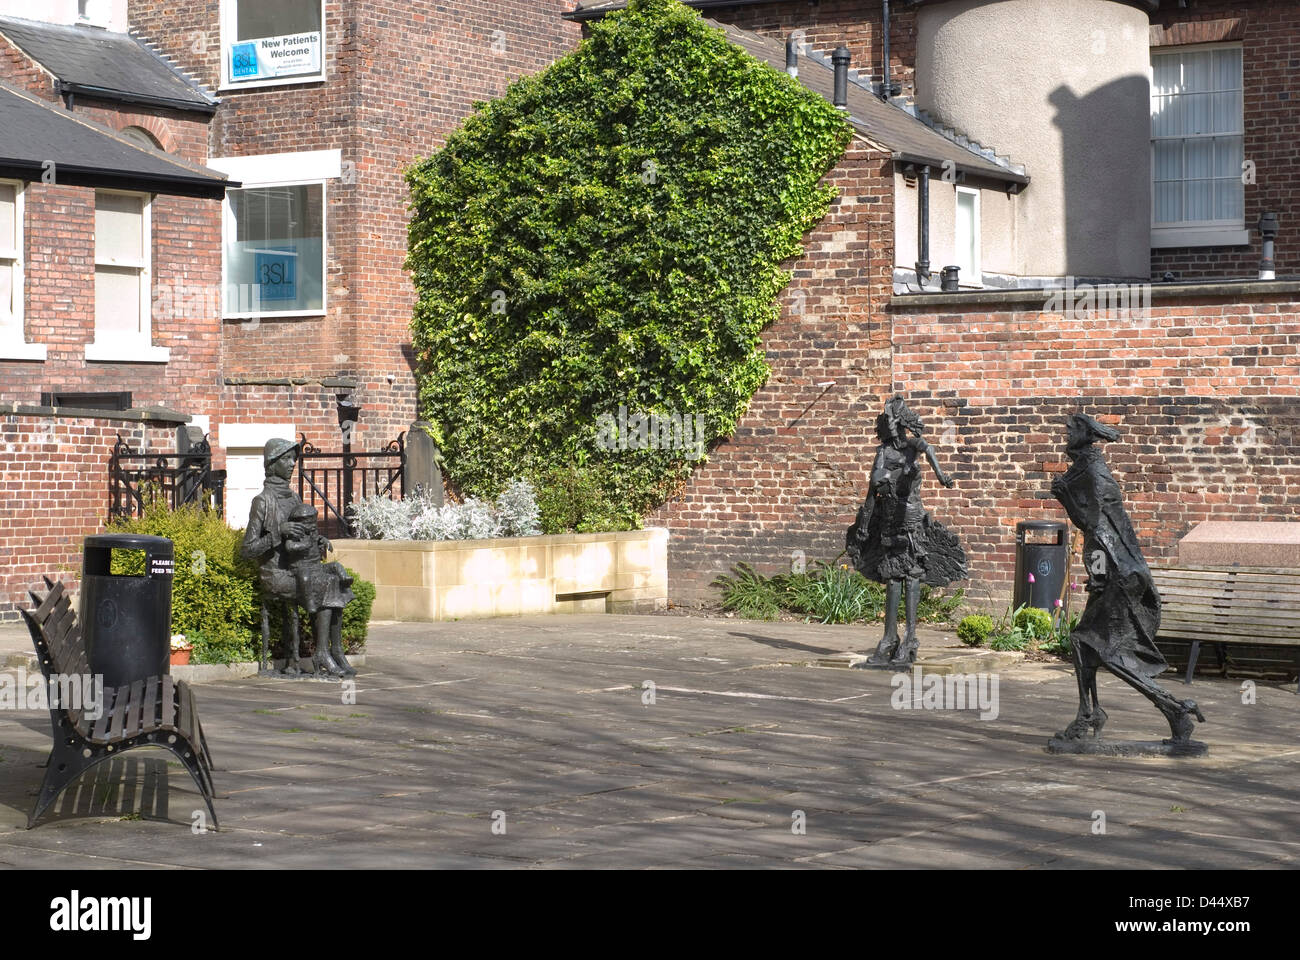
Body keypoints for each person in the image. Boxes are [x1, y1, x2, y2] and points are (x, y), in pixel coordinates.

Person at [1051, 413, 1203, 742]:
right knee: (1081, 644)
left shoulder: (1094, 472)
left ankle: (1174, 709)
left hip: (1120, 576)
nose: (1065, 433)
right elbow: (1099, 528)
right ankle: (1088, 713)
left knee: (1113, 654)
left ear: (1084, 434)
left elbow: (1097, 527)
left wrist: (1064, 497)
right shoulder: (1086, 467)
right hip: (1110, 570)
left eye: (1070, 429)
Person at [847, 394, 968, 666]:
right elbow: (872, 490)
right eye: (886, 420)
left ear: (901, 422)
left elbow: (930, 450)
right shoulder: (883, 453)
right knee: (892, 575)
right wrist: (864, 524)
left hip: (911, 517)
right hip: (890, 517)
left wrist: (940, 475)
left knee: (912, 573)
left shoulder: (913, 447)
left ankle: (911, 637)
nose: (889, 425)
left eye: (893, 420)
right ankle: (889, 638)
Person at [241, 439, 355, 678]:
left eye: (293, 458)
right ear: (272, 464)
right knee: (325, 584)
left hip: (301, 569)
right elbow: (248, 550)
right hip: (277, 574)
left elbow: (305, 533)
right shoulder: (262, 502)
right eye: (286, 459)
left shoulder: (293, 498)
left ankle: (335, 652)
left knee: (336, 580)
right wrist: (277, 534)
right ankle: (323, 653)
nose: (293, 463)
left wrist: (317, 541)